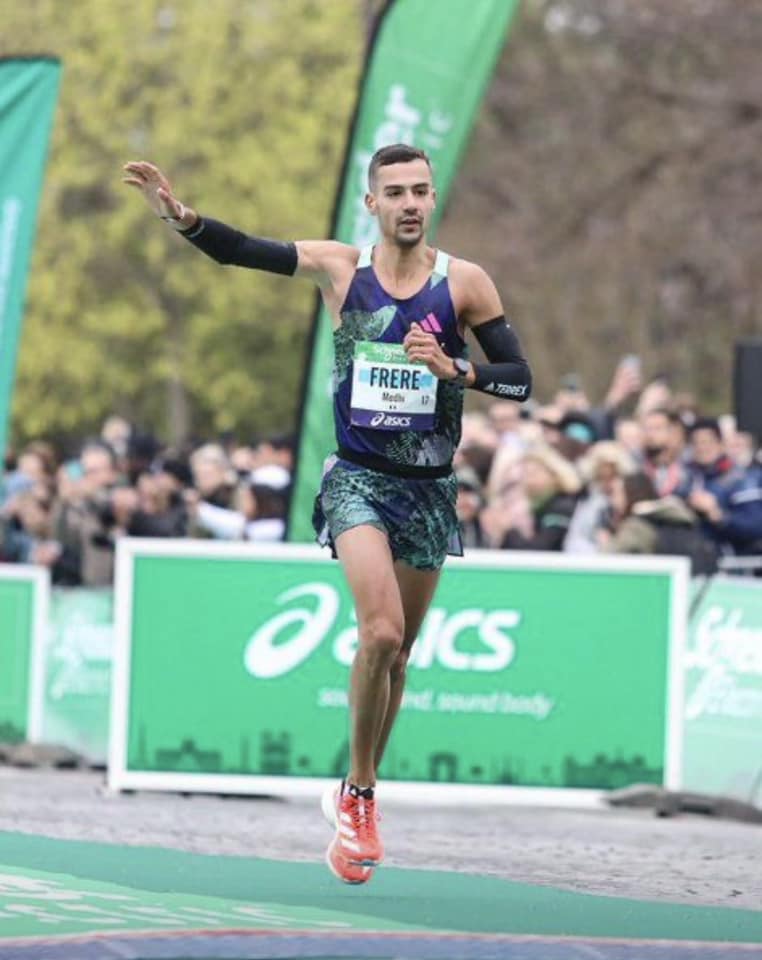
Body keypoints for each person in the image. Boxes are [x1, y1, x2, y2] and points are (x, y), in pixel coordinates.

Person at [123, 144, 532, 885]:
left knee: (399, 654)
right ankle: (365, 800)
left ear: (432, 200)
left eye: (421, 191)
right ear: (371, 204)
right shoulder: (343, 269)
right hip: (359, 482)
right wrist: (181, 218)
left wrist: (457, 369)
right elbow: (243, 251)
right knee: (378, 631)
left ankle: (352, 784)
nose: (410, 203)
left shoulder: (464, 284)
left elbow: (520, 382)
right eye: (395, 193)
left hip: (430, 490)